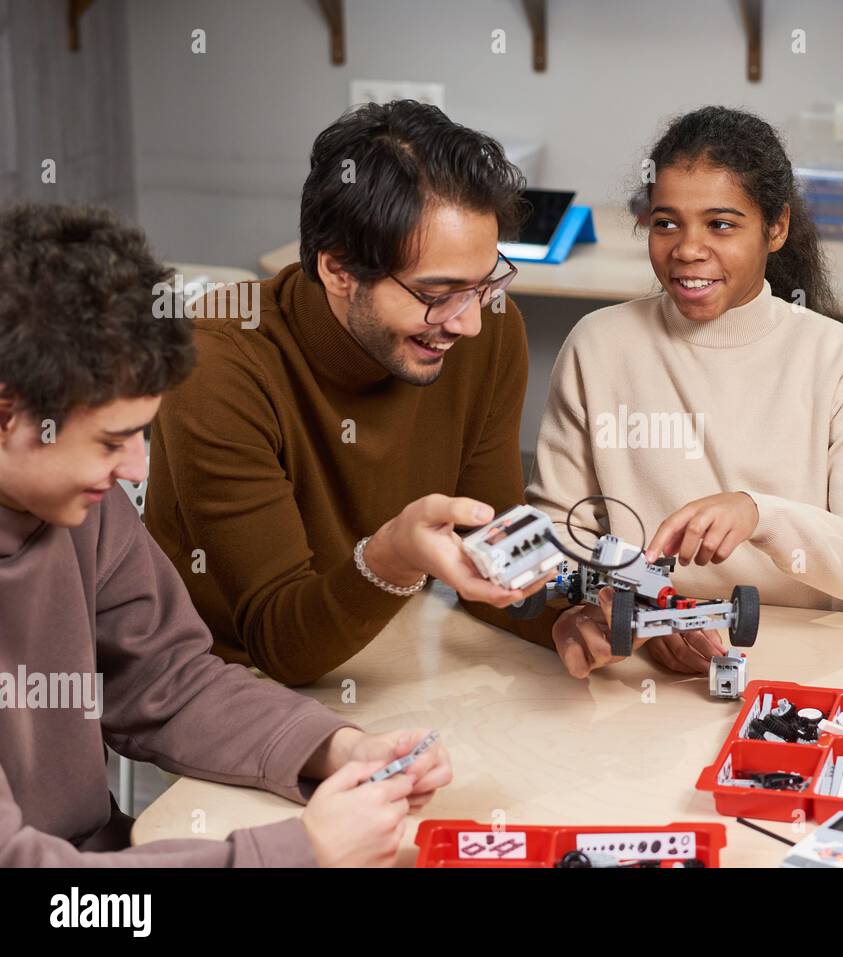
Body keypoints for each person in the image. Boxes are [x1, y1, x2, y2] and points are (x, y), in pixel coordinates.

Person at [0, 203, 450, 865]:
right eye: (110, 441)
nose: (136, 468)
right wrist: (298, 852)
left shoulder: (74, 500)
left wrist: (334, 747)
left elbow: (168, 677)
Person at [144, 101, 558, 686]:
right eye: (437, 293)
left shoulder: (488, 326)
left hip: (391, 648)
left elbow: (485, 551)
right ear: (338, 269)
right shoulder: (217, 363)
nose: (467, 321)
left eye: (484, 283)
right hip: (236, 681)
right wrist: (392, 555)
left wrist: (575, 618)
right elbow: (281, 645)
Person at [527, 106, 843, 679]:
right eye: (666, 223)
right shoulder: (598, 345)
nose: (687, 249)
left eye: (721, 224)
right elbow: (558, 533)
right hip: (638, 670)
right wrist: (604, 612)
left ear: (776, 227)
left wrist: (761, 514)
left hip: (809, 668)